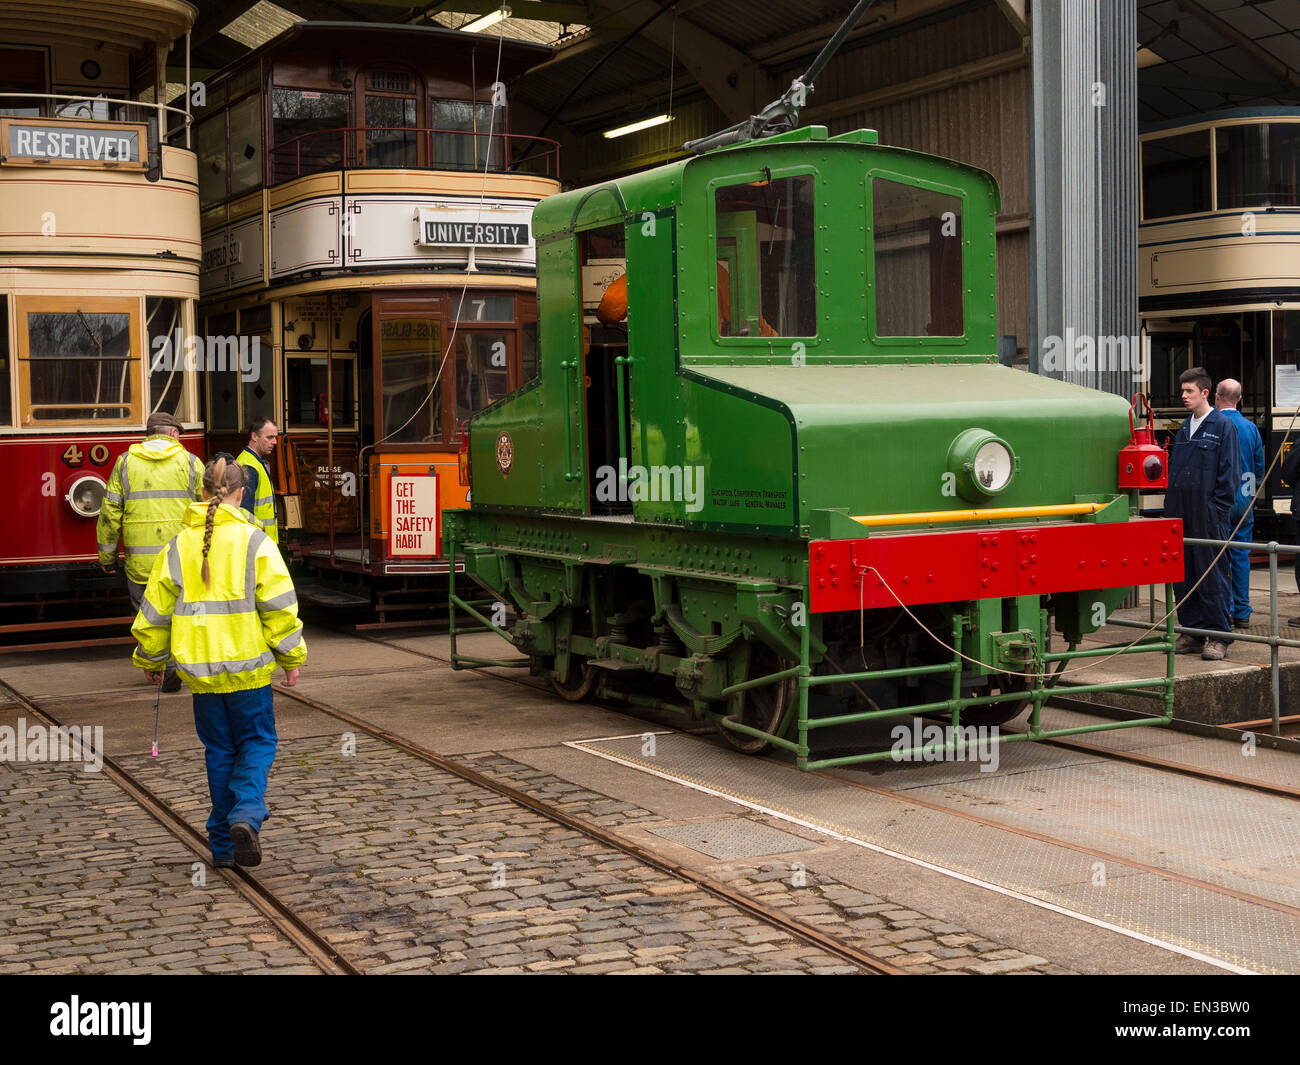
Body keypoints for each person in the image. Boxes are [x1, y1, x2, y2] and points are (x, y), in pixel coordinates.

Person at [131, 456, 307, 868]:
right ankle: (246, 813)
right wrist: (291, 656)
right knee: (258, 743)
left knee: (220, 752)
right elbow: (279, 607)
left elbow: (154, 611)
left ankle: (224, 849)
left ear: (203, 492)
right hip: (249, 674)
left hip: (203, 679)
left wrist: (151, 658)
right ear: (241, 493)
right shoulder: (256, 542)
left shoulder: (177, 545)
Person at [97, 411, 204, 692]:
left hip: (140, 561)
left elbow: (109, 513)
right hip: (180, 559)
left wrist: (108, 556)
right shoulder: (191, 462)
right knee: (179, 612)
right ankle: (179, 665)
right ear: (172, 434)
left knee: (147, 615)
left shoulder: (125, 463)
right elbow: (208, 509)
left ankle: (158, 667)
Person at [1165, 367, 1240, 661]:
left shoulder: (1223, 427)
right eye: (1182, 391)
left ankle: (1219, 635)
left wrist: (1217, 509)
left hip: (1208, 514)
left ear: (1205, 393)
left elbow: (1229, 474)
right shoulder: (1185, 427)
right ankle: (1193, 631)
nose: (1183, 396)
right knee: (1184, 574)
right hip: (1181, 512)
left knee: (1213, 574)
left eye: (1189, 391)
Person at [1214, 379, 1265, 629]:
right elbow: (1258, 465)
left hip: (1219, 499)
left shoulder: (1212, 425)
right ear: (1240, 399)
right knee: (1241, 555)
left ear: (1215, 396)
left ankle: (1224, 609)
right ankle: (1242, 611)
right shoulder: (1250, 428)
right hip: (1244, 497)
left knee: (1216, 555)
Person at [237, 417, 280, 544]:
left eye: (275, 437)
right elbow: (243, 510)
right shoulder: (249, 466)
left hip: (261, 541)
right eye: (270, 437)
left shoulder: (255, 462)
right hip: (257, 542)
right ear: (254, 437)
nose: (275, 442)